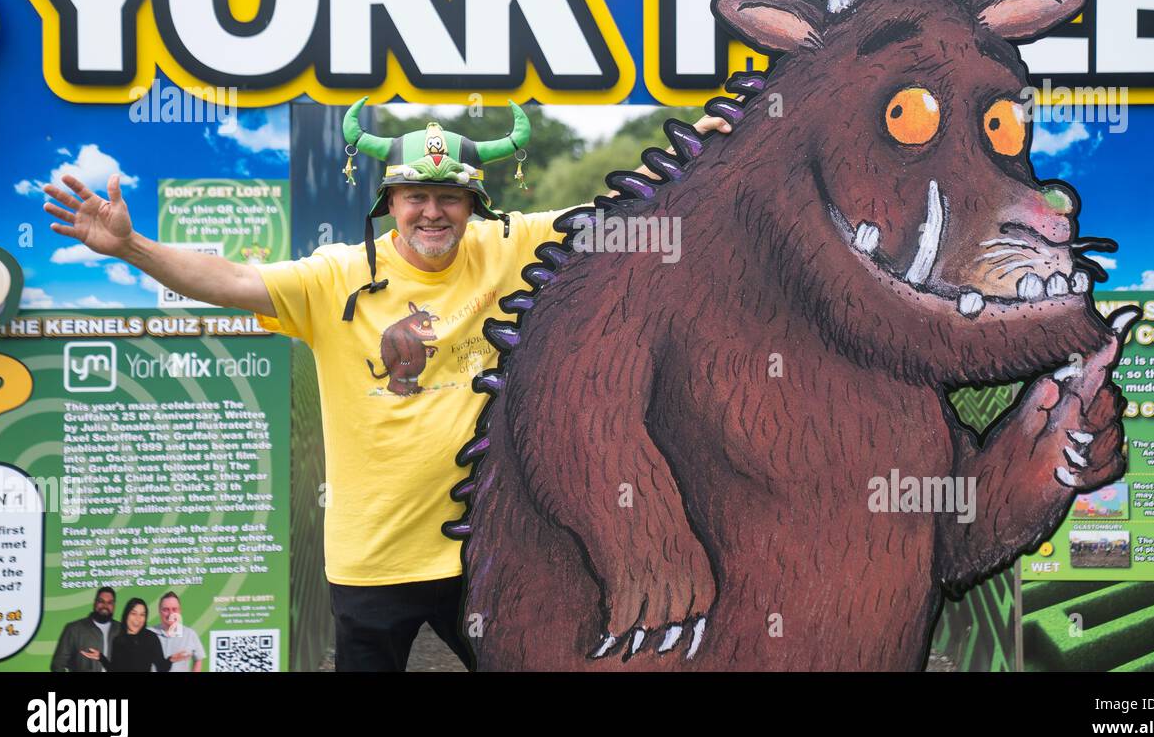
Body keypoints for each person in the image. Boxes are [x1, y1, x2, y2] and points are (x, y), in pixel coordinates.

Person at [43, 100, 732, 671]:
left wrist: (688, 152)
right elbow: (231, 280)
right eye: (417, 197)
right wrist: (131, 248)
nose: (433, 213)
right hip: (371, 561)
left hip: (482, 553)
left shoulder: (508, 244)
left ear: (473, 204)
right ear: (391, 203)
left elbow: (610, 208)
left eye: (450, 198)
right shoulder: (334, 276)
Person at [82, 598, 170, 672]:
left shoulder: (151, 638)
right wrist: (101, 658)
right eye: (133, 613)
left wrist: (170, 660)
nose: (138, 619)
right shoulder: (118, 640)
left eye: (142, 615)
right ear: (126, 615)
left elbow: (162, 668)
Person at [50, 586, 120, 672]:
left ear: (114, 606)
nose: (105, 606)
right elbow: (58, 664)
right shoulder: (74, 629)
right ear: (95, 603)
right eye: (101, 601)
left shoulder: (121, 630)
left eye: (110, 602)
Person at [150, 591, 205, 672]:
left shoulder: (190, 634)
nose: (171, 613)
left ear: (180, 611)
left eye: (174, 609)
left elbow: (198, 659)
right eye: (166, 609)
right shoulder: (148, 634)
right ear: (159, 611)